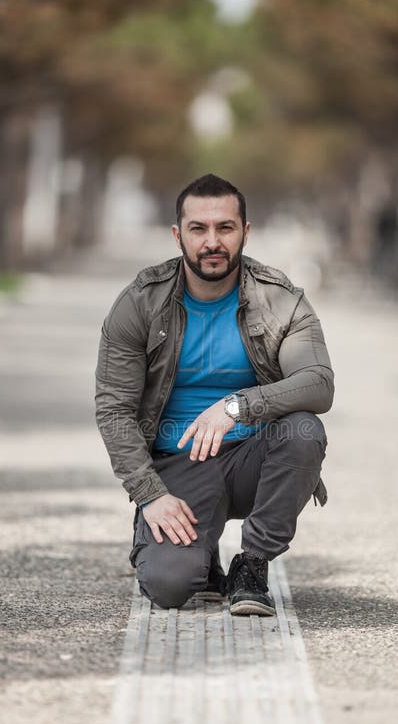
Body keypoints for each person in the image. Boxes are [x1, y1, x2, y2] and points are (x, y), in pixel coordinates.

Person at [95, 174, 333, 617]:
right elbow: (114, 410)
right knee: (169, 587)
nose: (212, 242)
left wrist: (236, 406)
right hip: (177, 466)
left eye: (225, 228)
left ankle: (252, 563)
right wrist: (149, 494)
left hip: (253, 459)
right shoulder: (140, 302)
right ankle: (193, 556)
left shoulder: (278, 299)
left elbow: (318, 383)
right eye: (198, 229)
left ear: (246, 231)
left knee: (304, 430)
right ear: (177, 234)